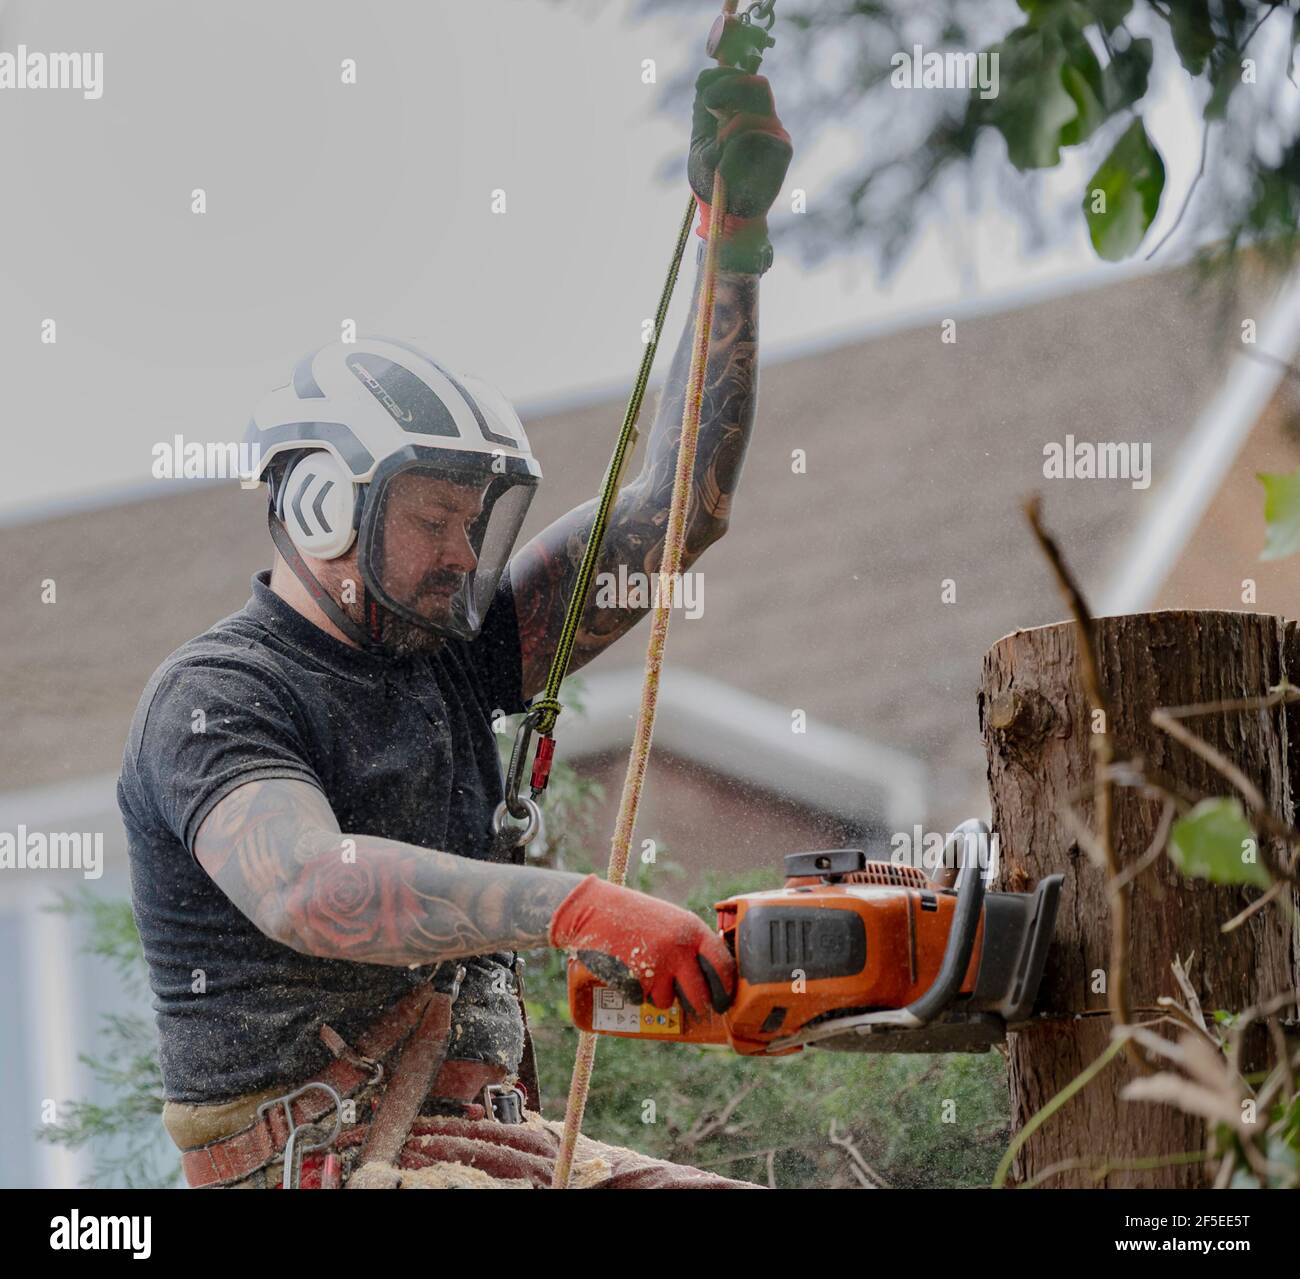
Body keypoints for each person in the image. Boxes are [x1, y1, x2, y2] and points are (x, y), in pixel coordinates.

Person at [117, 66, 792, 1189]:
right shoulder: (216, 697)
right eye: (434, 518)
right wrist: (584, 906)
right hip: (318, 1162)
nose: (462, 554)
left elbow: (679, 512)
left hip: (492, 1142)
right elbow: (313, 886)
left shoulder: (450, 647)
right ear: (324, 505)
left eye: (473, 521)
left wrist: (734, 241)